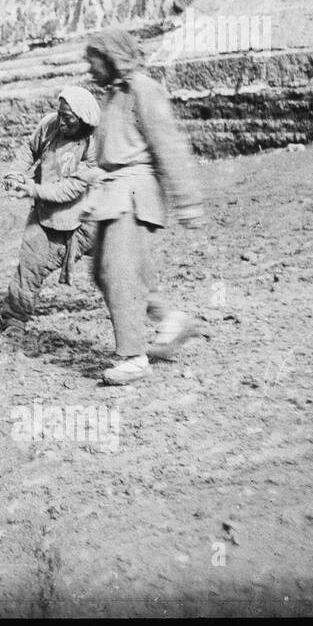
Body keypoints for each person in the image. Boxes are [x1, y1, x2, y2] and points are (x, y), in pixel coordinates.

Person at [82, 29, 204, 386]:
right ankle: (170, 320)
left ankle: (133, 357)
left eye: (93, 58)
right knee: (103, 274)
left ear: (111, 57)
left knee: (118, 271)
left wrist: (189, 202)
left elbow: (169, 146)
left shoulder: (143, 90)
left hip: (135, 192)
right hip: (113, 193)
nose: (88, 66)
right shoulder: (111, 96)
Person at [0, 86, 103, 327]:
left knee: (111, 265)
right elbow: (29, 149)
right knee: (30, 263)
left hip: (83, 218)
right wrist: (15, 174)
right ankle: (15, 318)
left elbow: (70, 189)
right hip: (45, 214)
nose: (62, 123)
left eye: (68, 119)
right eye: (60, 115)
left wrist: (31, 189)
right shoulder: (49, 125)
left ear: (84, 121)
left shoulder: (92, 145)